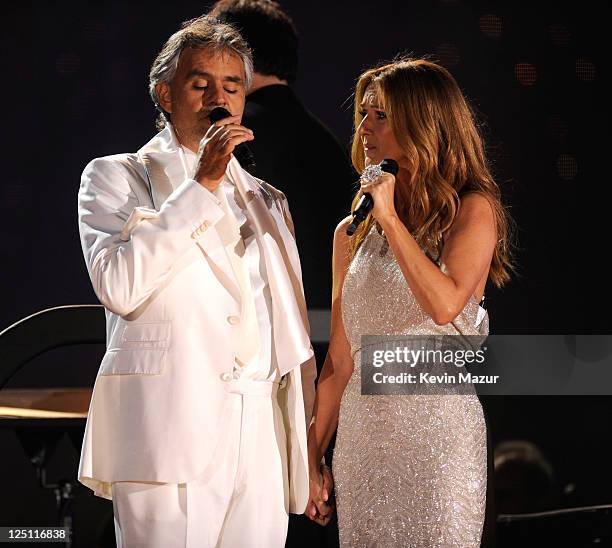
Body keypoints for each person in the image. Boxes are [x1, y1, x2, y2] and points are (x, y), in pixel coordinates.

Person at [77, 16, 316, 548]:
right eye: (199, 82)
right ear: (165, 93)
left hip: (259, 430)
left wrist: (305, 441)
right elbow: (118, 284)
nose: (218, 96)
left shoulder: (267, 199)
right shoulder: (118, 176)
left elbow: (291, 329)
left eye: (232, 86)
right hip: (169, 426)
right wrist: (202, 183)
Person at [305, 58, 514, 546]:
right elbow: (340, 357)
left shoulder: (472, 209)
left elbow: (444, 305)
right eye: (363, 114)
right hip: (363, 443)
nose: (365, 128)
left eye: (382, 115)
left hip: (437, 438)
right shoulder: (350, 233)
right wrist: (311, 456)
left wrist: (393, 221)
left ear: (424, 122)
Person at [210, 0, 356, 311]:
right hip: (329, 324)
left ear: (232, 52)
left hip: (261, 327)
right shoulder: (328, 140)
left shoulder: (225, 132)